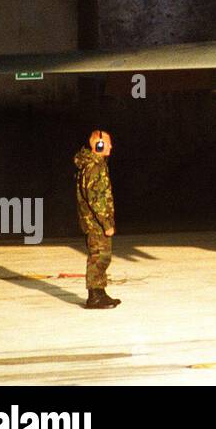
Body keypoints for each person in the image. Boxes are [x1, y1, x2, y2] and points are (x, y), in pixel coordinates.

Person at [74, 130, 120, 309]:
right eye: (107, 143)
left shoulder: (96, 164)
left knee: (103, 256)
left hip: (94, 220)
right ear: (98, 145)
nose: (110, 146)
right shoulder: (94, 167)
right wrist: (106, 223)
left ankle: (99, 292)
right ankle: (94, 296)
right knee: (98, 257)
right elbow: (95, 198)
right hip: (95, 222)